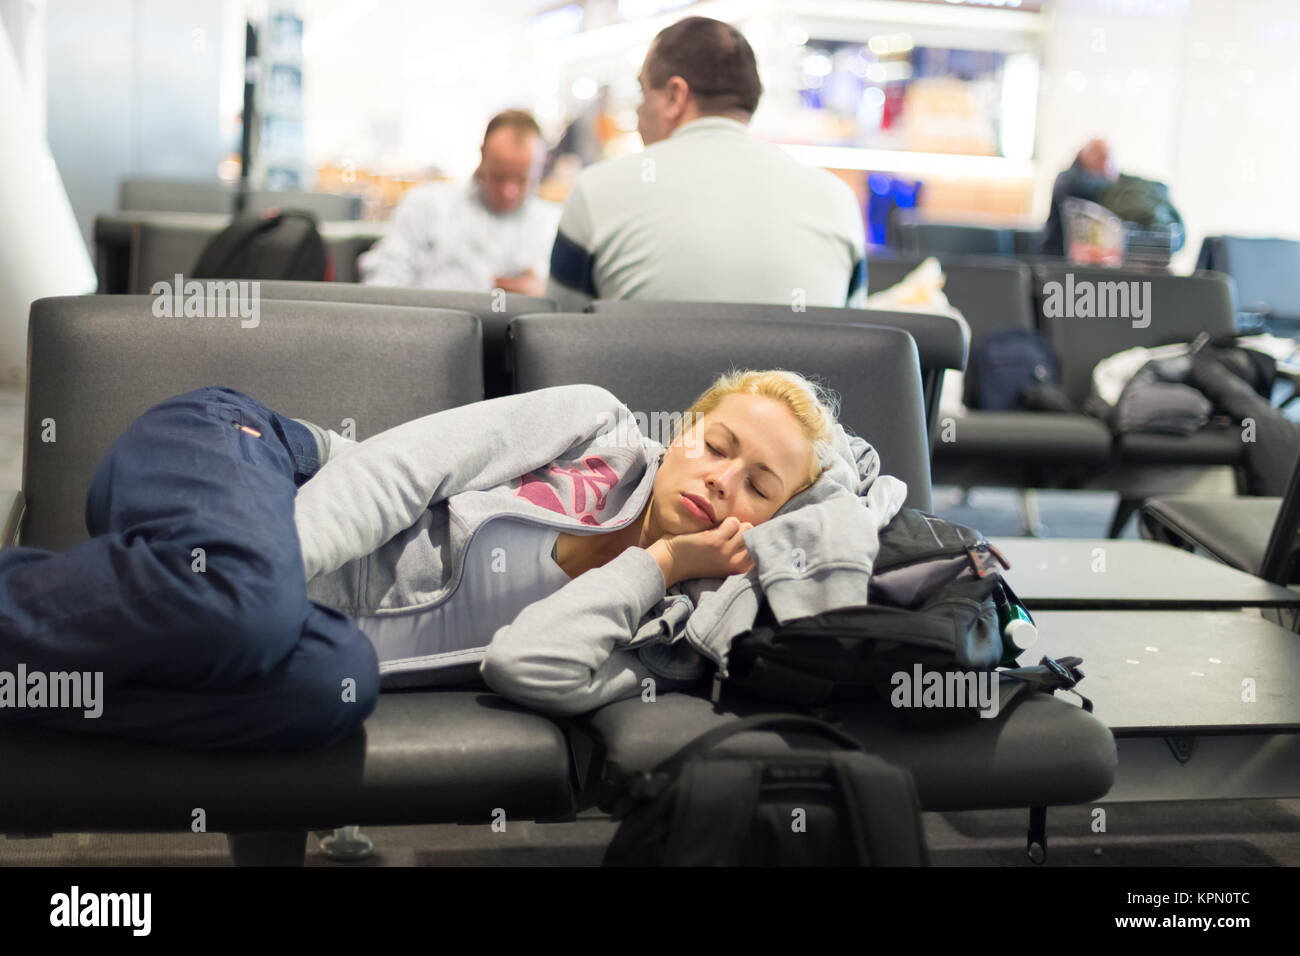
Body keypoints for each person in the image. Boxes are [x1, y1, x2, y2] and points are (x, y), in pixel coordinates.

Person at [0, 369, 902, 749]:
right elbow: (397, 469)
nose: (720, 479)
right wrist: (260, 584)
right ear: (680, 432)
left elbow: (523, 663)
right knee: (252, 608)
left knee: (333, 686)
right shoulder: (595, 427)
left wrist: (658, 569)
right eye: (715, 442)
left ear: (767, 525)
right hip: (242, 461)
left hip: (275, 623)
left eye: (758, 485)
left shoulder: (667, 631)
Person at [546, 16, 868, 312]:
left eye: (643, 94)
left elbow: (559, 345)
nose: (638, 114)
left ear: (675, 96)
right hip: (794, 379)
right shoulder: (838, 201)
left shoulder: (596, 191)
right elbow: (855, 348)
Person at [358, 110, 561, 296]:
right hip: (433, 329)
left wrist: (547, 296)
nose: (508, 191)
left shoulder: (555, 226)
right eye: (498, 176)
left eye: (522, 179)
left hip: (516, 332)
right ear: (483, 155)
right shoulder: (428, 207)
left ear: (540, 167)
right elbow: (384, 280)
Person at [1038, 138, 1118, 257]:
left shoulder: (1097, 183)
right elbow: (1080, 188)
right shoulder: (1067, 180)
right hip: (1060, 259)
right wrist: (1109, 180)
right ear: (1087, 156)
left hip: (1085, 258)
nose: (1105, 165)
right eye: (1102, 158)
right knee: (1070, 276)